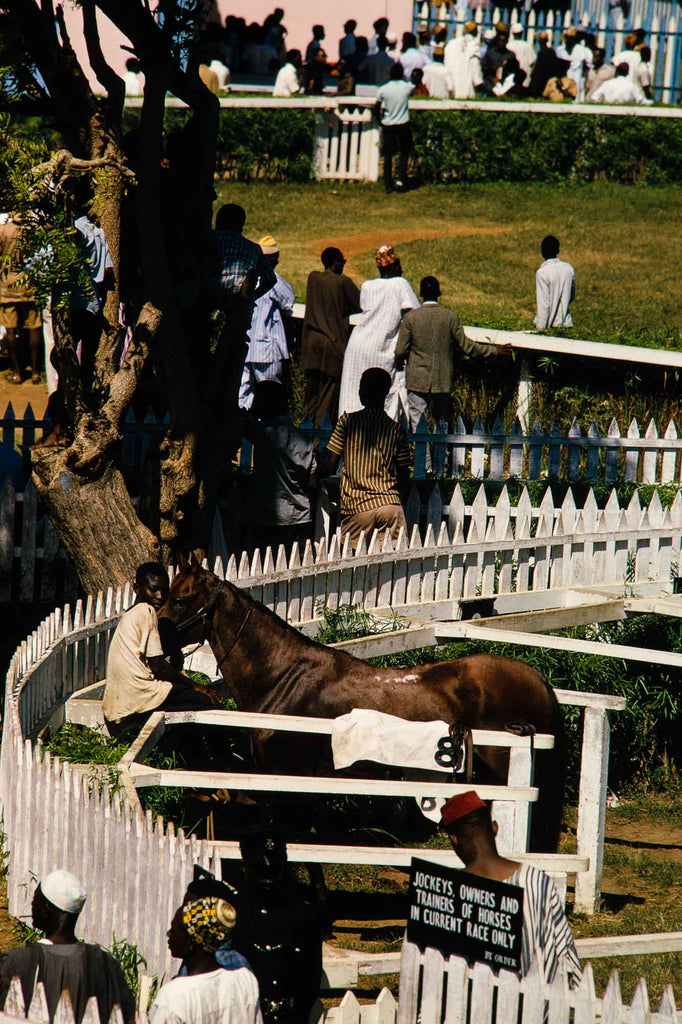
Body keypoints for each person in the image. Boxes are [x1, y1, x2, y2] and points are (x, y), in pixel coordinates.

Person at [440, 792, 582, 986]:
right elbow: (566, 956)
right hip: (535, 1009)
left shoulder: (448, 893)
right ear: (494, 828)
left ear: (454, 839)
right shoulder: (537, 881)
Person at [0, 870, 135, 1024]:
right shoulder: (104, 964)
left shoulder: (17, 962)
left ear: (46, 907)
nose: (31, 904)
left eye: (35, 898)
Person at [102, 561, 218, 739]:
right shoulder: (146, 611)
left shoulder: (130, 613)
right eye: (153, 589)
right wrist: (196, 685)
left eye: (164, 591)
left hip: (121, 699)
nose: (160, 596)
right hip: (140, 694)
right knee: (206, 702)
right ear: (137, 589)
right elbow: (158, 666)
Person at [231, 833, 325, 1024]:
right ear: (245, 864)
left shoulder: (304, 914)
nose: (268, 878)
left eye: (274, 870)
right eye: (260, 871)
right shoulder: (232, 914)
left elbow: (311, 976)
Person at [396, 275, 509, 433]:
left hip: (417, 380)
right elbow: (467, 347)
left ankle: (424, 458)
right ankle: (439, 457)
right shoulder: (450, 317)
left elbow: (400, 350)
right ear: (439, 294)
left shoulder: (411, 318)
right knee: (440, 425)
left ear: (421, 294)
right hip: (442, 380)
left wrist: (400, 359)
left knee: (418, 424)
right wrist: (494, 350)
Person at [324, 367, 410, 548]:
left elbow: (330, 465)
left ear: (361, 391)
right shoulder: (396, 430)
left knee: (353, 563)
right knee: (391, 564)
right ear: (386, 392)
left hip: (358, 506)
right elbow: (403, 475)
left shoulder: (347, 422)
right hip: (391, 506)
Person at [150, 897, 262, 1024]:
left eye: (175, 930)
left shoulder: (174, 995)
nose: (169, 934)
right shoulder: (245, 979)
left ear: (191, 941)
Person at [339, 244, 418, 420]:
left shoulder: (368, 286)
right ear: (394, 265)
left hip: (358, 345)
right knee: (382, 397)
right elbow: (414, 314)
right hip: (381, 347)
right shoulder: (400, 284)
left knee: (353, 395)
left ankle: (349, 437)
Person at [242, 381, 316, 552]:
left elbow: (244, 424)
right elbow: (312, 480)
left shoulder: (261, 432)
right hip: (298, 517)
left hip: (268, 518)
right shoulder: (302, 439)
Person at [300, 247, 361, 428]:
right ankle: (319, 443)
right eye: (342, 262)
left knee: (310, 396)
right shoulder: (343, 282)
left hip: (311, 345)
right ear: (336, 263)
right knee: (327, 399)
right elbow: (360, 304)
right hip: (333, 346)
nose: (343, 265)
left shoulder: (313, 278)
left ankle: (304, 434)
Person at [240, 235, 294, 410]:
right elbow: (289, 300)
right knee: (270, 396)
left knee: (242, 396)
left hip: (245, 349)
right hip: (265, 351)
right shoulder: (272, 279)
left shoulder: (246, 276)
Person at [0, 213, 43, 384]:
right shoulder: (34, 230)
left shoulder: (4, 231)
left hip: (7, 287)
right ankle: (35, 371)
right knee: (33, 327)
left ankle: (16, 371)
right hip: (29, 286)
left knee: (10, 330)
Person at [377, 63, 414, 194]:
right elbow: (413, 87)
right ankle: (401, 179)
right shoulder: (406, 87)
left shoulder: (383, 89)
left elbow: (376, 106)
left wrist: (379, 120)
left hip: (388, 124)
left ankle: (388, 184)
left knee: (388, 156)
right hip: (403, 124)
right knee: (404, 153)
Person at [534, 235, 575, 330]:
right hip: (566, 324)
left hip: (551, 325)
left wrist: (540, 329)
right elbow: (571, 296)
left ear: (542, 252)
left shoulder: (542, 273)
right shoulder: (568, 269)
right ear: (558, 251)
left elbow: (544, 305)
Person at [445, 23, 482, 99]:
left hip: (452, 87)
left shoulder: (451, 44)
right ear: (475, 32)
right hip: (466, 90)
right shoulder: (474, 47)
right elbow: (476, 73)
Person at [556, 27, 591, 101]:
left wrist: (586, 83)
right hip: (564, 80)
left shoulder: (583, 50)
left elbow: (588, 68)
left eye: (571, 38)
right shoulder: (560, 50)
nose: (568, 40)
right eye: (567, 37)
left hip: (577, 80)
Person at [480, 22, 513, 95]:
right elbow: (483, 69)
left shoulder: (510, 55)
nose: (501, 43)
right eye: (500, 41)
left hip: (505, 86)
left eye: (503, 41)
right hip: (491, 85)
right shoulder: (490, 53)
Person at [527, 32, 561, 97]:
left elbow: (538, 71)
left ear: (539, 41)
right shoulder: (552, 52)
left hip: (541, 82)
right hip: (549, 80)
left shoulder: (541, 53)